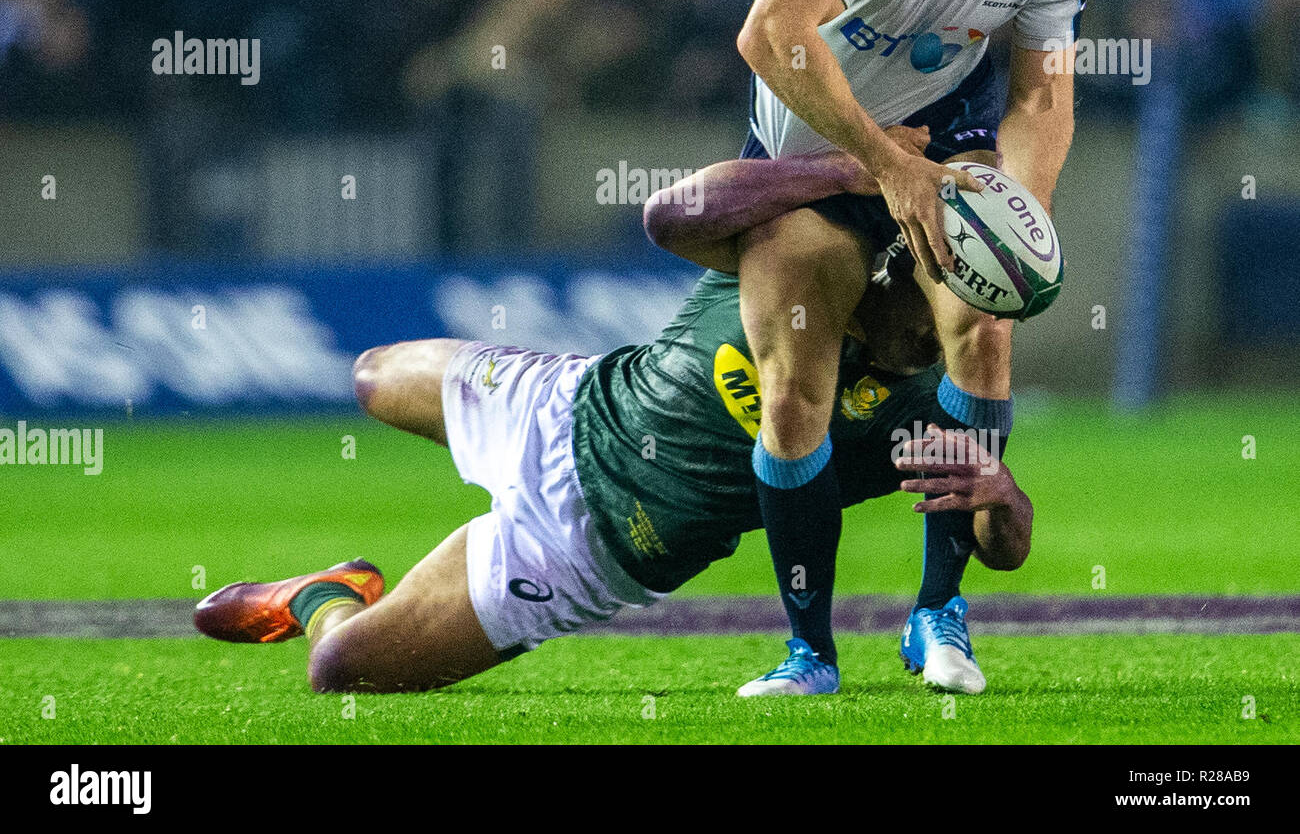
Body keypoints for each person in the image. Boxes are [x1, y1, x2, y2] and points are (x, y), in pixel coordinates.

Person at [193, 151, 1032, 697]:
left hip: (587, 546)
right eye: (929, 327)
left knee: (339, 670)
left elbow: (998, 545)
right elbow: (672, 213)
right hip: (568, 397)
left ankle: (328, 597)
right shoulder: (799, 258)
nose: (935, 347)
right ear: (900, 275)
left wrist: (1004, 495)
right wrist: (855, 166)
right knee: (370, 375)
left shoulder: (921, 414)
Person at [727, 0, 1102, 691]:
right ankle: (809, 650)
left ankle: (938, 611)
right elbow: (771, 36)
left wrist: (1015, 217)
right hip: (808, 160)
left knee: (981, 329)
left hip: (948, 146)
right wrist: (879, 165)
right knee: (794, 391)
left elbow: (1041, 94)